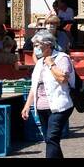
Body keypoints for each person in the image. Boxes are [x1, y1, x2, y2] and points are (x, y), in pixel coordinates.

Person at [22, 30, 74, 158]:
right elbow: (34, 86)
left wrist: (51, 64)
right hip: (41, 107)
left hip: (60, 106)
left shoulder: (62, 58)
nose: (35, 49)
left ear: (48, 45)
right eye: (34, 46)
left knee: (51, 138)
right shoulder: (39, 63)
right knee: (50, 139)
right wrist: (27, 106)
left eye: (37, 45)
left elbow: (63, 79)